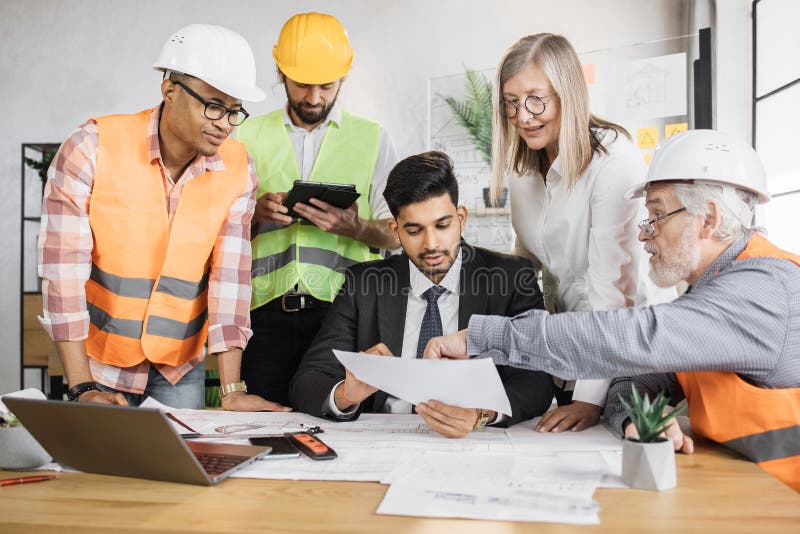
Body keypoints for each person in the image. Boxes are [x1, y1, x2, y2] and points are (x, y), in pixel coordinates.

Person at [425, 130, 800, 491]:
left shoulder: (764, 290)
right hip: (748, 492)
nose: (644, 234)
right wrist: (640, 418)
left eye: (657, 215)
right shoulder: (710, 294)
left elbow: (633, 339)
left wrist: (483, 337)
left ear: (709, 219)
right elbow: (636, 378)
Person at [37, 24, 289, 412]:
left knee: (182, 454)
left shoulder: (239, 168)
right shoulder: (92, 148)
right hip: (98, 363)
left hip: (178, 367)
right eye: (214, 105)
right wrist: (81, 386)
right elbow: (62, 273)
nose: (224, 123)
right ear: (169, 91)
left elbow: (230, 281)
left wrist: (231, 390)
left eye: (234, 110)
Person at [290, 151, 553, 437]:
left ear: (461, 218)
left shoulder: (511, 277)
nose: (431, 244)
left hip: (474, 439)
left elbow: (537, 381)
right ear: (396, 230)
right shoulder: (363, 283)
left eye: (442, 225)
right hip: (385, 438)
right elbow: (308, 379)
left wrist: (481, 413)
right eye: (414, 230)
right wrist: (345, 395)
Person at [489, 33, 674, 432]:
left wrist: (589, 399)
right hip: (571, 349)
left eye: (536, 99)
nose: (523, 116)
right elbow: (526, 259)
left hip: (628, 354)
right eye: (511, 102)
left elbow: (613, 295)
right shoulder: (523, 166)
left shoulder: (613, 163)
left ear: (568, 94)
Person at [237, 12, 399, 407]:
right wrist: (254, 216)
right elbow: (214, 233)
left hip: (345, 317)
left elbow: (398, 234)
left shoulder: (374, 139)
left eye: (326, 86)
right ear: (281, 73)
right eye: (301, 85)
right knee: (266, 426)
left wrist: (355, 227)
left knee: (344, 422)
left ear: (343, 77)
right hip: (264, 319)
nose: (313, 98)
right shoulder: (243, 136)